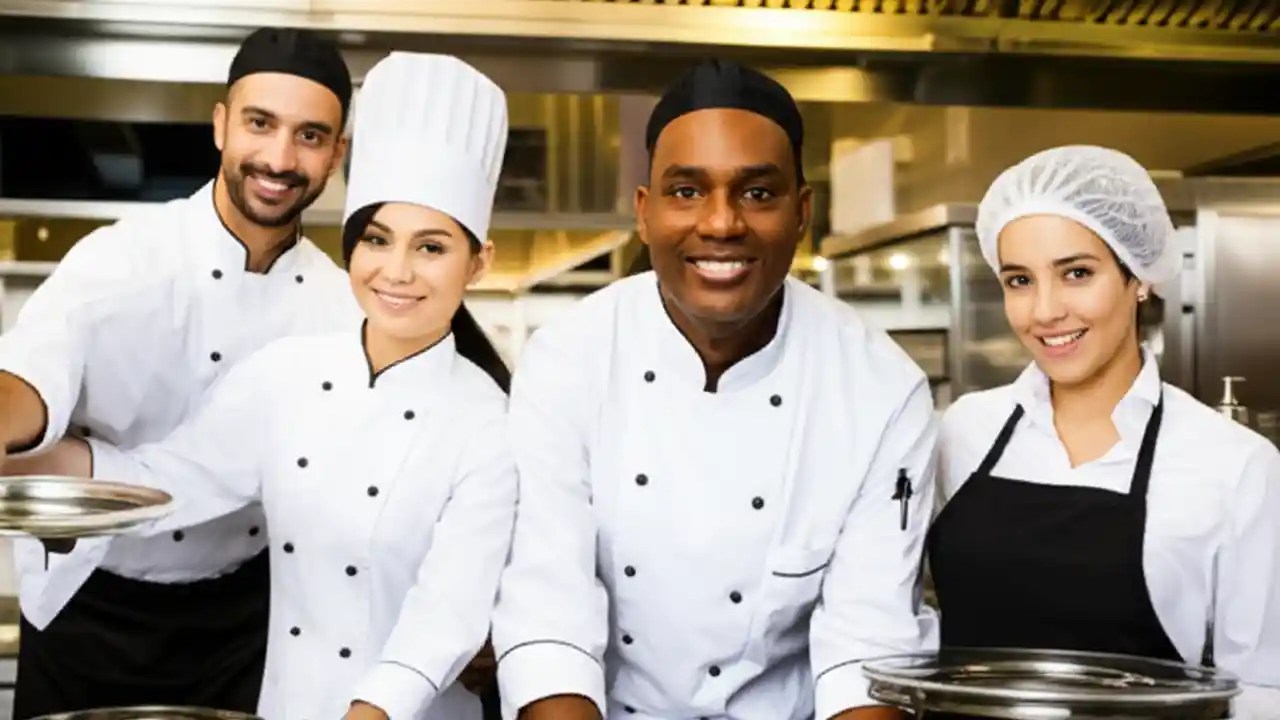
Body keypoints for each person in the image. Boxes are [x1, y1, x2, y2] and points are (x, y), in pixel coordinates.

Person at [27, 51, 517, 720]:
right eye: (377, 239)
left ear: (478, 261)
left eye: (431, 247)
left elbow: (448, 613)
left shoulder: (492, 419)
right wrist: (26, 467)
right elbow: (170, 481)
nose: (396, 270)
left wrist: (370, 712)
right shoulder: (285, 373)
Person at [491, 59, 937, 720]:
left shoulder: (880, 390)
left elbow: (866, 651)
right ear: (644, 213)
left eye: (758, 193)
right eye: (687, 191)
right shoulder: (569, 360)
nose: (722, 223)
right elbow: (548, 612)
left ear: (802, 212)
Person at [0, 26, 361, 718]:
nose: (280, 158)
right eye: (261, 124)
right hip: (89, 607)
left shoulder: (340, 308)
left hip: (242, 623)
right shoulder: (124, 258)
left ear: (336, 153)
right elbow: (30, 370)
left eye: (310, 137)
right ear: (222, 125)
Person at [928, 145, 1280, 718]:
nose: (1044, 311)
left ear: (1139, 276)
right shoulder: (965, 430)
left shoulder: (1233, 465)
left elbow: (1265, 690)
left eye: (1076, 273)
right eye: (1019, 280)